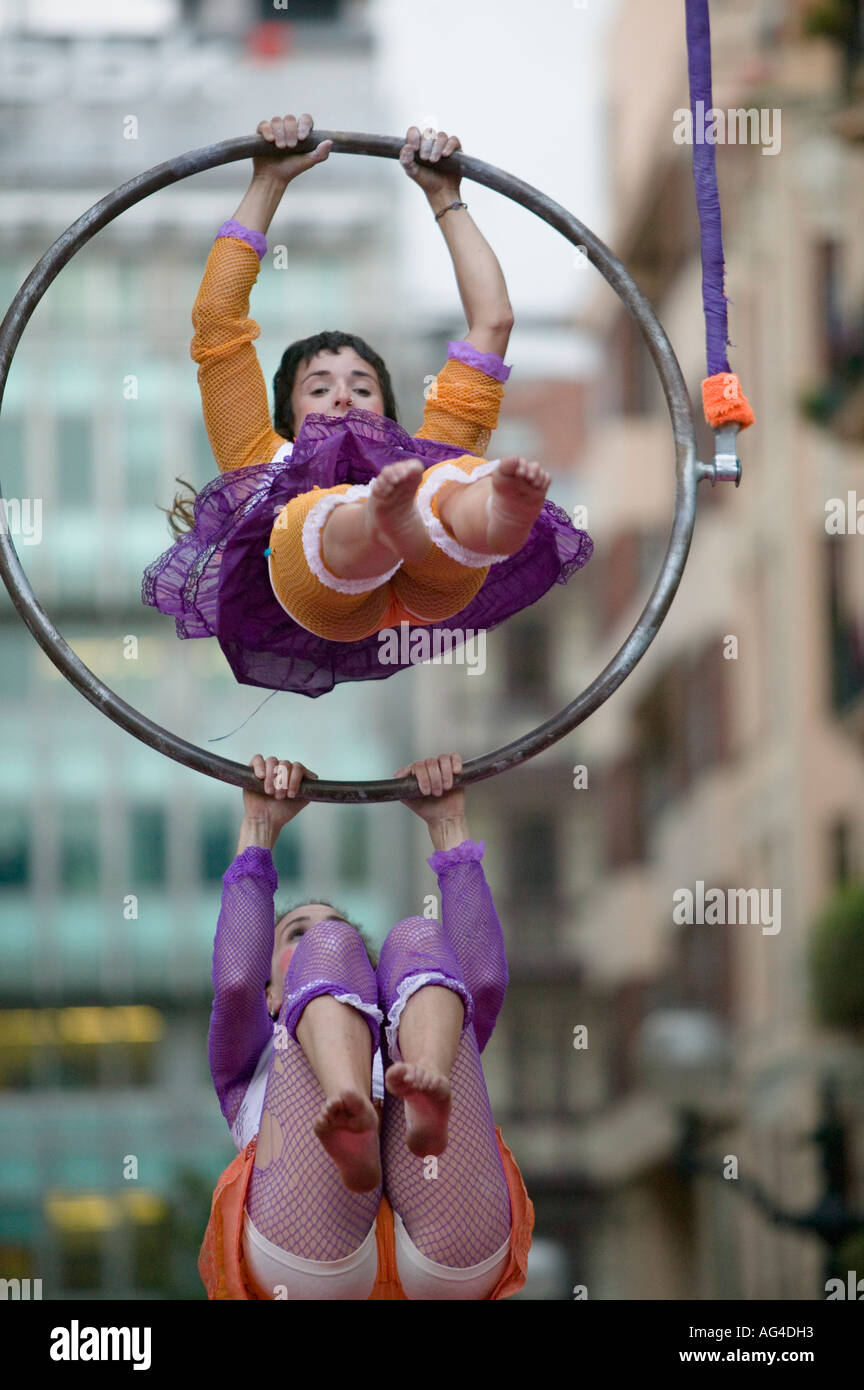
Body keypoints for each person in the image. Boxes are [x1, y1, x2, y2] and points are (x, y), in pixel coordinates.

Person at [142, 113, 593, 697]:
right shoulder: (258, 454)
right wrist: (268, 182)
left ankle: (494, 515)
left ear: (384, 409)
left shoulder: (419, 457)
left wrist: (446, 197)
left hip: (429, 582)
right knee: (331, 510)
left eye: (361, 384)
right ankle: (378, 520)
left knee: (451, 479)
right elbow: (217, 324)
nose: (342, 392)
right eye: (319, 385)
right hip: (313, 595)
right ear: (288, 416)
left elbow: (494, 322)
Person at [198, 750, 534, 1300]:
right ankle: (347, 1103)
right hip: (310, 1238)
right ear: (274, 994)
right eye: (295, 937)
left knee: (417, 936)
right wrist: (257, 829)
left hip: (441, 1229)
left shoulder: (420, 1025)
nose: (321, 941)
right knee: (367, 949)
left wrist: (448, 823)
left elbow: (483, 983)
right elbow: (237, 982)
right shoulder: (250, 1058)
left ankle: (410, 1087)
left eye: (335, 937)